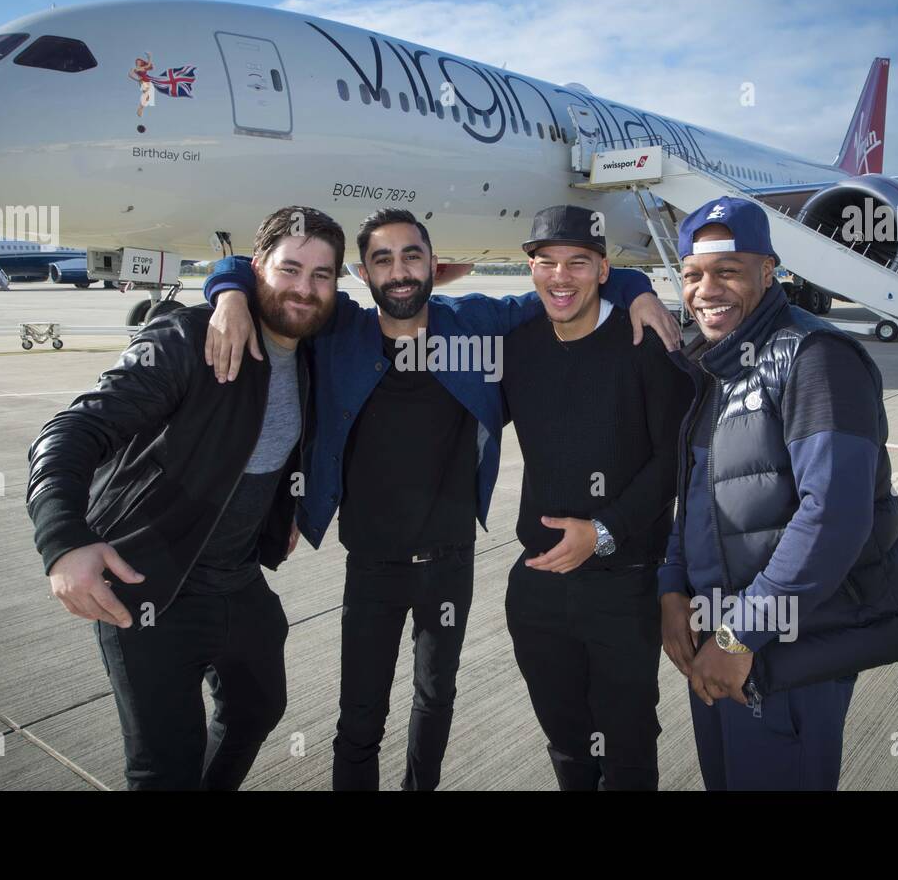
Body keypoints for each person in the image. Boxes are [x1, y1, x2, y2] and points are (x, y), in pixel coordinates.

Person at [202, 207, 680, 790]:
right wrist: (228, 291)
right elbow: (262, 272)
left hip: (450, 559)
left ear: (436, 265)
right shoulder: (341, 330)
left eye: (412, 256)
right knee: (359, 719)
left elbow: (562, 286)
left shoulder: (474, 323)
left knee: (436, 701)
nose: (399, 271)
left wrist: (635, 286)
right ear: (363, 273)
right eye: (383, 259)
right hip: (372, 562)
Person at [26, 205, 343, 789]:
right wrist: (62, 540)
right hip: (148, 582)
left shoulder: (318, 349)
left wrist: (291, 507)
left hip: (237, 578)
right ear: (258, 268)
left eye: (321, 275)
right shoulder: (187, 339)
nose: (304, 288)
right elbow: (72, 430)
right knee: (165, 766)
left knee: (257, 709)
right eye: (290, 269)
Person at [658, 195, 898, 790]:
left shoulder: (815, 358)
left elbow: (833, 519)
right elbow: (697, 496)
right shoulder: (715, 364)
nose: (706, 290)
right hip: (719, 640)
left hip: (787, 646)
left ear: (768, 271)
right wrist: (672, 589)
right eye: (692, 275)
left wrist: (740, 635)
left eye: (728, 271)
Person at [500, 205, 694, 790]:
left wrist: (604, 530)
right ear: (532, 270)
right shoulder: (517, 346)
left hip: (622, 584)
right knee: (566, 743)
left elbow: (675, 458)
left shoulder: (645, 344)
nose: (561, 277)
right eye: (547, 262)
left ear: (604, 271)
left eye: (578, 263)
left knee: (627, 746)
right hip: (537, 585)